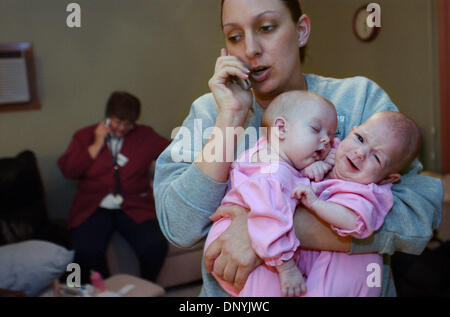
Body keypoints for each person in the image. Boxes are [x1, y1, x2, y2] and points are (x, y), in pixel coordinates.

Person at [154, 0, 443, 297]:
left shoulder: (357, 100)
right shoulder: (210, 112)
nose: (250, 49)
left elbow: (418, 215)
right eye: (235, 36)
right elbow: (180, 228)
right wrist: (230, 118)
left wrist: (265, 230)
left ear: (301, 30)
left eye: (266, 28)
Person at [205, 91, 337, 297]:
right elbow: (270, 217)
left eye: (331, 135)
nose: (327, 141)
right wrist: (286, 267)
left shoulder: (267, 153)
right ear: (281, 128)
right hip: (253, 248)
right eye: (316, 129)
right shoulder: (275, 173)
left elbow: (293, 174)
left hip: (234, 242)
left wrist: (315, 167)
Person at [58, 91, 169, 284]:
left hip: (134, 205)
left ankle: (145, 286)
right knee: (86, 250)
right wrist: (97, 143)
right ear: (108, 117)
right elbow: (69, 170)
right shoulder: (85, 136)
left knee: (155, 245)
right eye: (118, 122)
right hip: (93, 207)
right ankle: (106, 290)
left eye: (128, 124)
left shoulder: (145, 136)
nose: (122, 128)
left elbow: (173, 153)